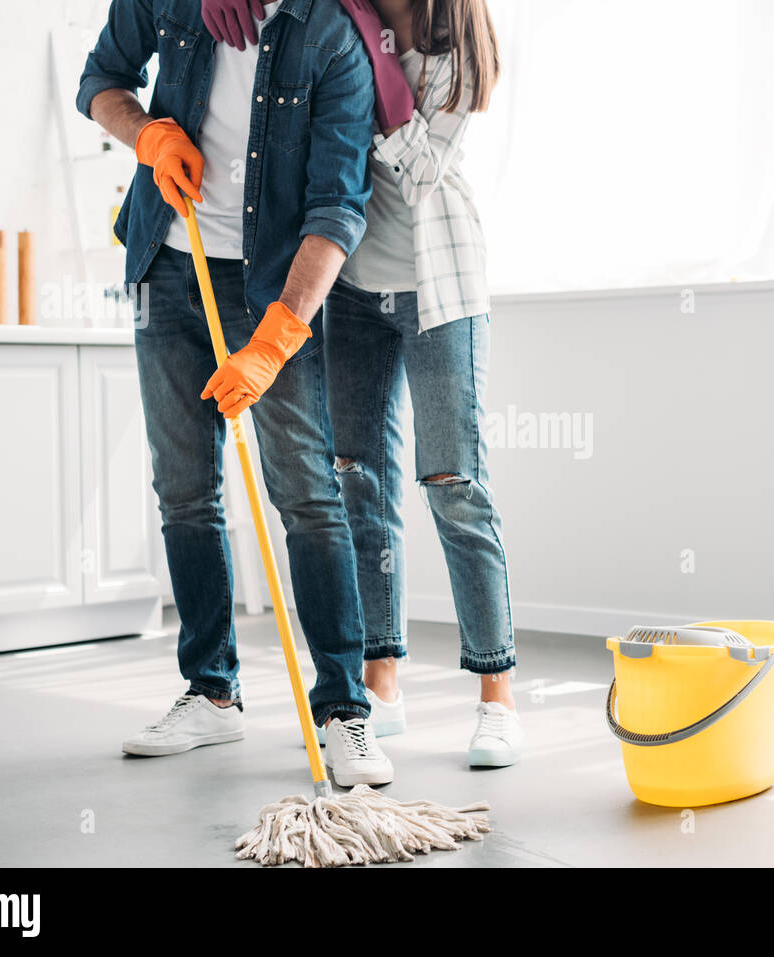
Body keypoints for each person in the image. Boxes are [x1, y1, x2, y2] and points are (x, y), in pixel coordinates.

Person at [77, 0, 395, 786]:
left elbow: (336, 210)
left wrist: (278, 339)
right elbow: (100, 80)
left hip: (271, 286)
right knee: (185, 491)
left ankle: (344, 712)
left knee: (308, 496)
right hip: (165, 265)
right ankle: (211, 694)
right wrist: (147, 133)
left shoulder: (333, 40)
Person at [210, 0, 519, 767]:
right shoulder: (345, 18)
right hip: (350, 294)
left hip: (439, 288)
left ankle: (497, 697)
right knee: (359, 484)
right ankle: (382, 683)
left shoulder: (461, 49)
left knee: (455, 485)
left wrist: (376, 77)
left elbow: (418, 167)